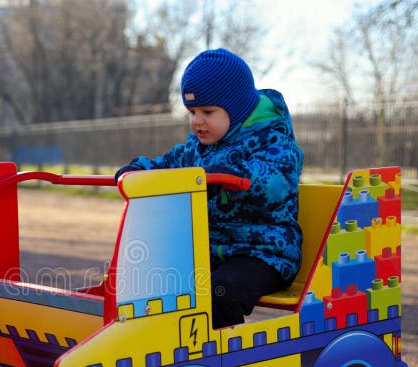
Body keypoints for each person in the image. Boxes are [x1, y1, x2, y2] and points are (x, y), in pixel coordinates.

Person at [115, 48, 304, 329]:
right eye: (192, 111)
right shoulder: (197, 146)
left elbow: (275, 179)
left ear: (237, 108)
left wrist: (239, 174)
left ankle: (223, 360)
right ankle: (161, 346)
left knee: (219, 292)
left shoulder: (273, 142)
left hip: (264, 254)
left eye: (207, 111)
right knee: (161, 280)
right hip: (212, 251)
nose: (197, 121)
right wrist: (142, 169)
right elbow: (170, 163)